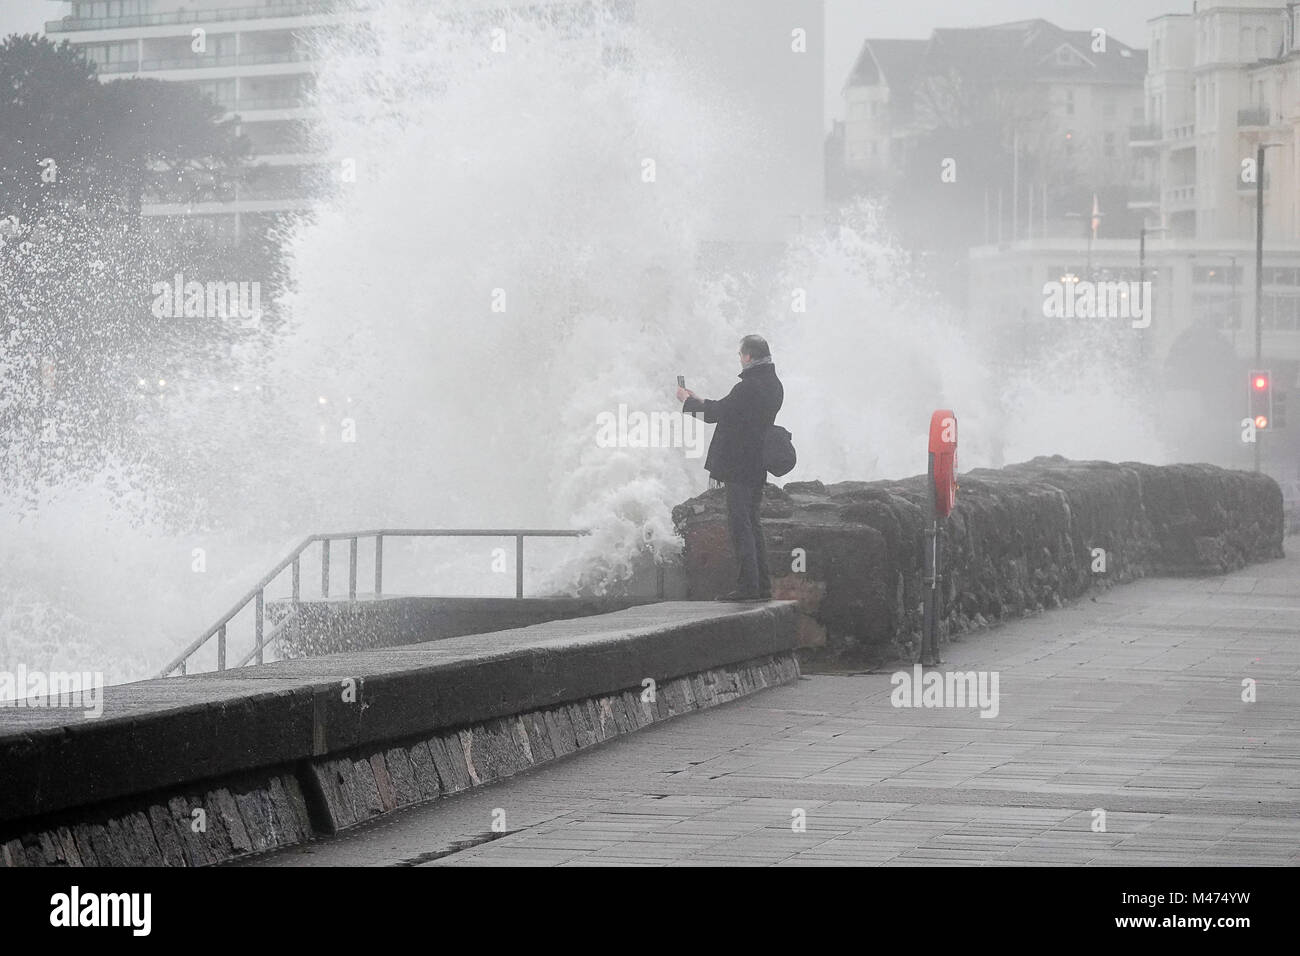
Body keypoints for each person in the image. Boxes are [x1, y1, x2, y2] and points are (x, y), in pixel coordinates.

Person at [677, 334, 784, 601]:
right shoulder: (773, 384)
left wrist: (687, 403)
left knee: (740, 526)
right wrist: (701, 402)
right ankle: (762, 586)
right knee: (753, 523)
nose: (739, 358)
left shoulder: (748, 387)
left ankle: (748, 587)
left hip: (738, 465)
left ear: (748, 356)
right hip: (757, 464)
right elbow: (728, 410)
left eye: (741, 355)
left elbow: (716, 415)